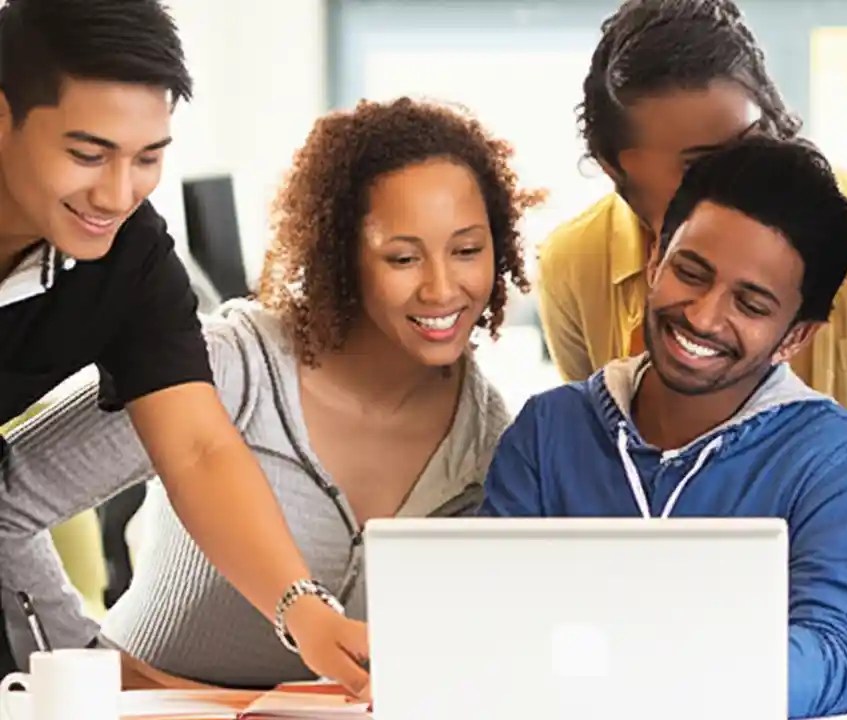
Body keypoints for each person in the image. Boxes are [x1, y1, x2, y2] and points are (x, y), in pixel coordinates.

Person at [0, 97, 536, 688]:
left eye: (467, 250)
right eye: (402, 257)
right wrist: (103, 678)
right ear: (341, 255)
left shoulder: (494, 447)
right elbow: (6, 500)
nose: (441, 288)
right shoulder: (231, 366)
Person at [0, 0, 366, 686]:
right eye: (87, 154)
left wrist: (304, 611)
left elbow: (198, 447)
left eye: (147, 158)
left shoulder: (129, 255)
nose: (116, 192)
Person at [482, 137, 847, 719]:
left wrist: (643, 673)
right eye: (690, 272)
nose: (705, 316)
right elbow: (492, 620)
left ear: (795, 336)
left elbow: (841, 652)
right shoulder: (548, 430)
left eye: (751, 304)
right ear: (657, 259)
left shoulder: (844, 466)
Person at [537, 0, 847, 532]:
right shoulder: (573, 266)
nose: (742, 177)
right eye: (701, 164)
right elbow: (598, 474)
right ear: (615, 170)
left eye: (752, 141)